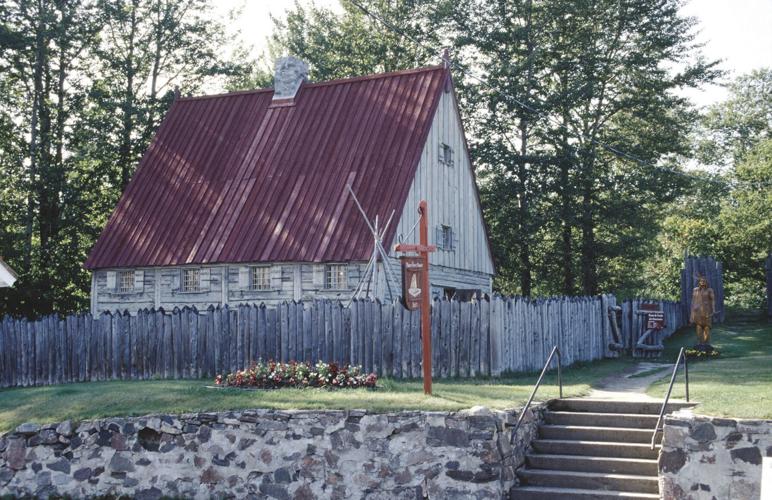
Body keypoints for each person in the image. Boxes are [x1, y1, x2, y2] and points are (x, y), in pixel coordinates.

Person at [690, 275, 716, 345]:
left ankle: (706, 343)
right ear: (699, 282)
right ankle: (700, 343)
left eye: (704, 281)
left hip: (707, 311)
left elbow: (713, 300)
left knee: (707, 327)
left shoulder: (710, 290)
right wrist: (692, 314)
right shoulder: (695, 290)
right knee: (698, 326)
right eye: (701, 281)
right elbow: (693, 301)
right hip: (697, 311)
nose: (703, 282)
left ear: (707, 282)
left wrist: (713, 309)